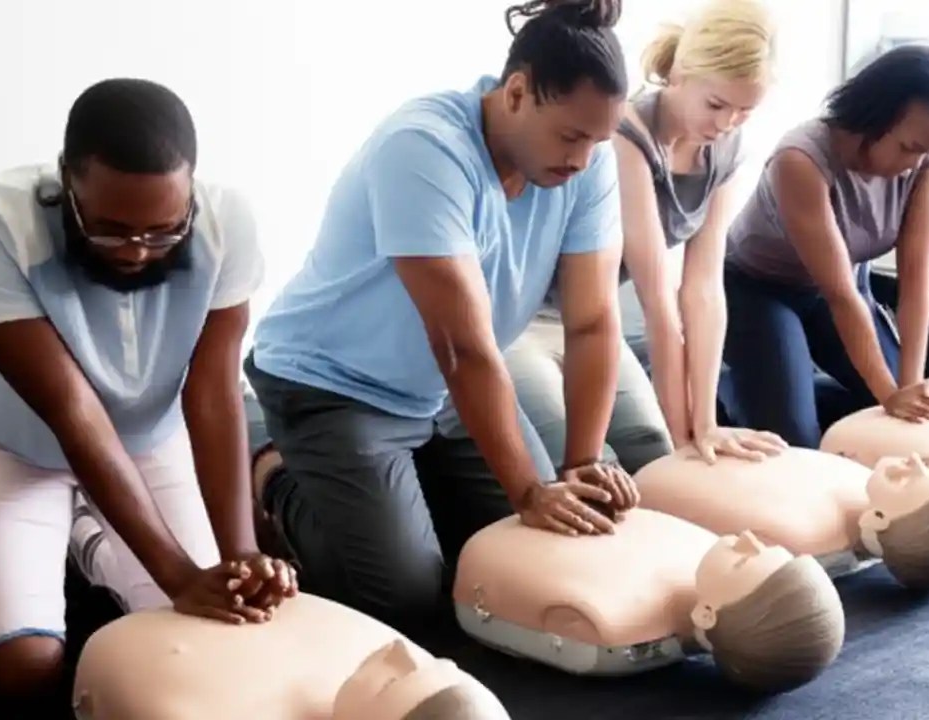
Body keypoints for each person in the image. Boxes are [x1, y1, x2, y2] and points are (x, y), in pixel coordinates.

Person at [244, 0, 639, 637]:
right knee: (409, 601)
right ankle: (276, 477)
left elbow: (592, 321)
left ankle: (410, 485)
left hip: (444, 391)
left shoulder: (585, 165)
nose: (584, 160)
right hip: (334, 385)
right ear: (516, 93)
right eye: (571, 136)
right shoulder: (424, 147)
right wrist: (529, 491)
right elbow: (462, 347)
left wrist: (579, 464)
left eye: (600, 140)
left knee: (541, 552)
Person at [0, 78, 296, 715]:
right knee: (20, 672)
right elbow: (71, 413)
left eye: (162, 231)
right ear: (67, 180)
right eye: (110, 230)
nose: (136, 251)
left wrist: (240, 557)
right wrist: (179, 576)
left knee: (221, 629)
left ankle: (88, 540)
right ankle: (79, 520)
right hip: (9, 445)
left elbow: (212, 395)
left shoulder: (226, 223)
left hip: (146, 439)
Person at [504, 0, 788, 470]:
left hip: (595, 320)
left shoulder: (726, 151)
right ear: (678, 74)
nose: (726, 123)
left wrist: (706, 425)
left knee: (649, 448)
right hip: (527, 319)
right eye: (716, 104)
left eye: (744, 111)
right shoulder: (624, 133)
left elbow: (702, 290)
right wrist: (684, 441)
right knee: (595, 462)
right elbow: (658, 300)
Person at [721, 45, 929, 448]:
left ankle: (794, 385)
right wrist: (889, 395)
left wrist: (908, 387)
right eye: (909, 147)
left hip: (845, 287)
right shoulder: (800, 159)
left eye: (928, 151)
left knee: (895, 413)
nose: (916, 162)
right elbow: (839, 294)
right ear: (873, 118)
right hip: (757, 288)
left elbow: (916, 279)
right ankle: (731, 387)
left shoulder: (926, 155)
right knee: (796, 441)